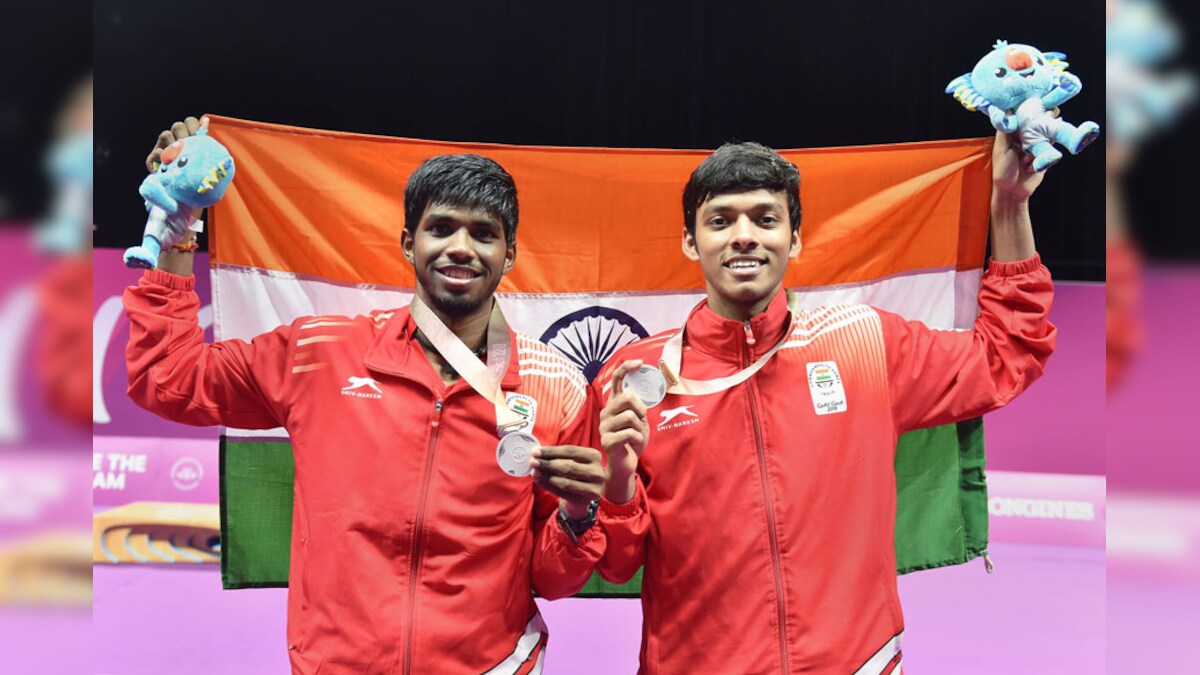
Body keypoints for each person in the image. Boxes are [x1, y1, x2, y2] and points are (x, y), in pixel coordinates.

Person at [124, 117, 626, 674]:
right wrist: (176, 227)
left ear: (509, 255)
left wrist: (580, 516)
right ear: (410, 243)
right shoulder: (320, 353)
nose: (461, 248)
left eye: (483, 234)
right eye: (441, 228)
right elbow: (167, 377)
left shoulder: (554, 387)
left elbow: (553, 579)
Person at [592, 133, 1057, 673]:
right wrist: (617, 483)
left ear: (795, 240)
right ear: (691, 243)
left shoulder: (864, 344)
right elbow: (617, 561)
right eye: (721, 221)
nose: (744, 237)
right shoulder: (637, 379)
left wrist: (1009, 202)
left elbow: (1006, 352)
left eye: (766, 220)